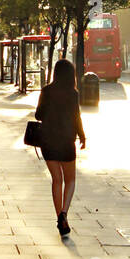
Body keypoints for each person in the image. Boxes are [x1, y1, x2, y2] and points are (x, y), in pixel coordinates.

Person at [34, 58, 86, 236]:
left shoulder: (46, 91)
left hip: (48, 142)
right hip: (66, 142)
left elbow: (38, 114)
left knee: (57, 180)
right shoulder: (73, 94)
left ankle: (59, 219)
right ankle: (64, 213)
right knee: (70, 180)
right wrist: (82, 136)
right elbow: (76, 117)